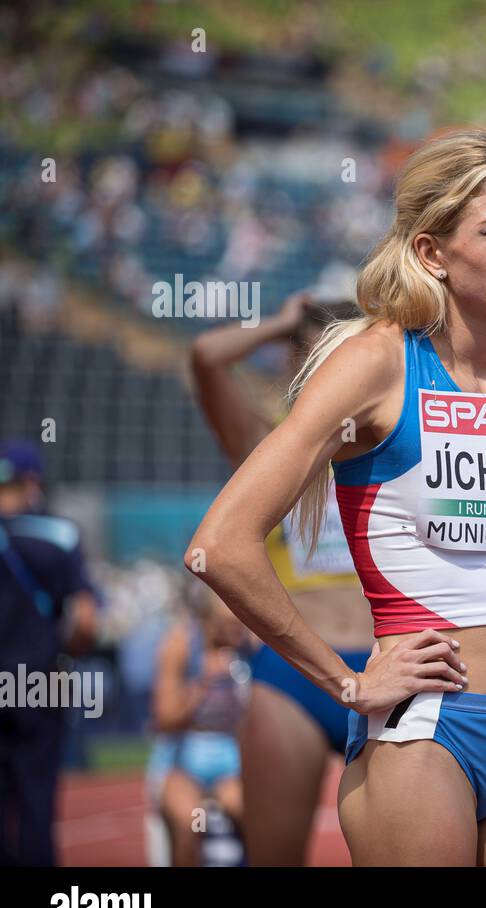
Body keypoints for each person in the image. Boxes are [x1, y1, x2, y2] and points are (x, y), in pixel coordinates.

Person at [185, 128, 486, 866]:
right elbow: (219, 544)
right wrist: (347, 679)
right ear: (431, 253)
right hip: (422, 731)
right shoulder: (376, 364)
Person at [189, 293, 375, 865]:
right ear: (292, 364)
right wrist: (282, 324)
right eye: (309, 356)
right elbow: (205, 355)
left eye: (339, 355)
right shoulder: (267, 449)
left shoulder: (395, 441)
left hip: (384, 667)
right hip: (291, 674)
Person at [0, 441, 98, 866]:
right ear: (33, 482)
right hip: (41, 682)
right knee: (38, 796)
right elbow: (85, 621)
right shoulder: (58, 534)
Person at [148, 581, 253, 866]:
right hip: (181, 762)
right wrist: (203, 683)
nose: (237, 632)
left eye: (240, 624)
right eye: (230, 624)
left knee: (255, 816)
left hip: (230, 760)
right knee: (189, 821)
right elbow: (164, 719)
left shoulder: (247, 646)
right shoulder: (180, 644)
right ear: (210, 617)